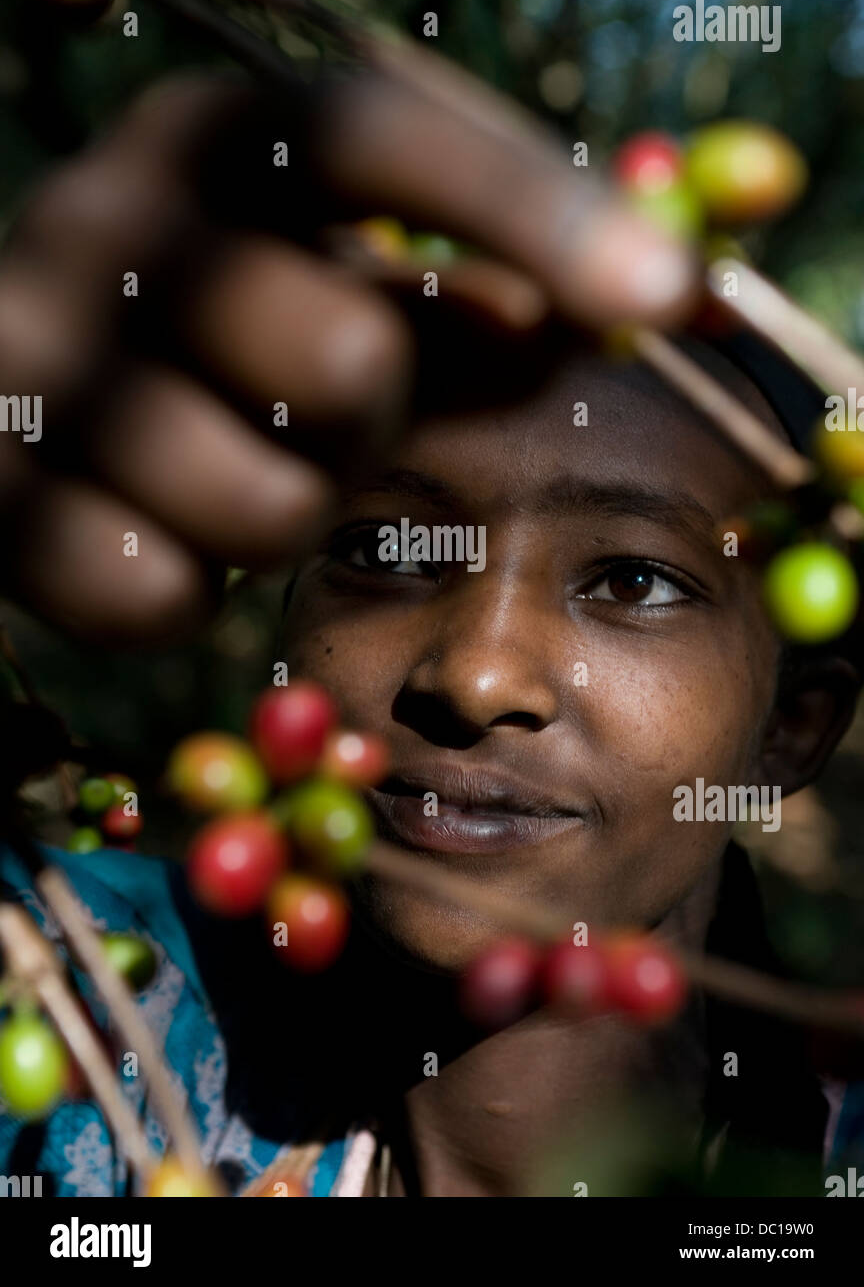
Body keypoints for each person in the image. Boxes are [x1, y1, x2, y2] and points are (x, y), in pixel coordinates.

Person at [0, 66, 860, 1196]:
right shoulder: (66, 999)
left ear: (788, 731)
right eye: (388, 550)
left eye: (636, 581)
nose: (477, 671)